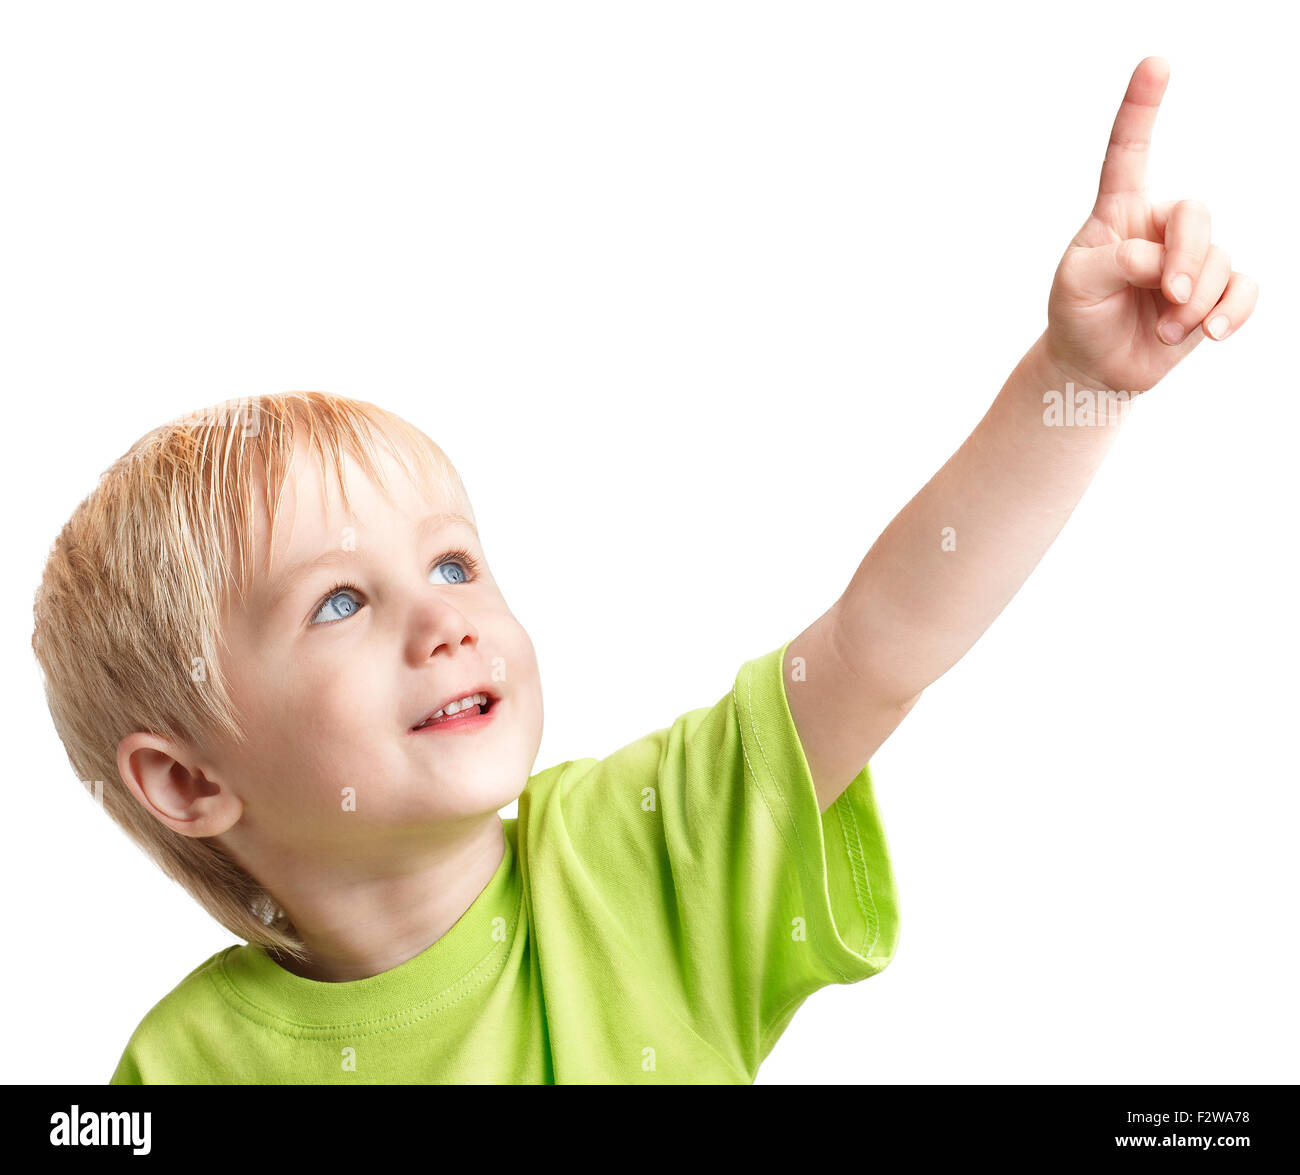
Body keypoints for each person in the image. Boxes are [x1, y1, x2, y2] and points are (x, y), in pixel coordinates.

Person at [30, 56, 1256, 1083]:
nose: (444, 620)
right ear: (187, 782)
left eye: (453, 561)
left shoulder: (641, 856)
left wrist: (1074, 380)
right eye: (340, 600)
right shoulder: (179, 1067)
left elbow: (886, 639)